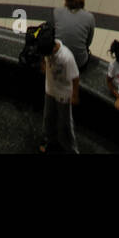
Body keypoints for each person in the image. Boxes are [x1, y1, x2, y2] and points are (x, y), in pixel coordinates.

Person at [37, 22, 80, 154]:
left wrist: (74, 96)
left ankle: (71, 149)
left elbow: (75, 77)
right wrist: (43, 65)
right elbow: (42, 57)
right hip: (50, 90)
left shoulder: (66, 57)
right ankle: (50, 141)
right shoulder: (45, 47)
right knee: (48, 118)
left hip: (63, 96)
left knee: (65, 124)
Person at [53, 0, 96, 73]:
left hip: (58, 60)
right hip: (78, 63)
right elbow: (88, 42)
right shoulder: (89, 17)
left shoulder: (56, 12)